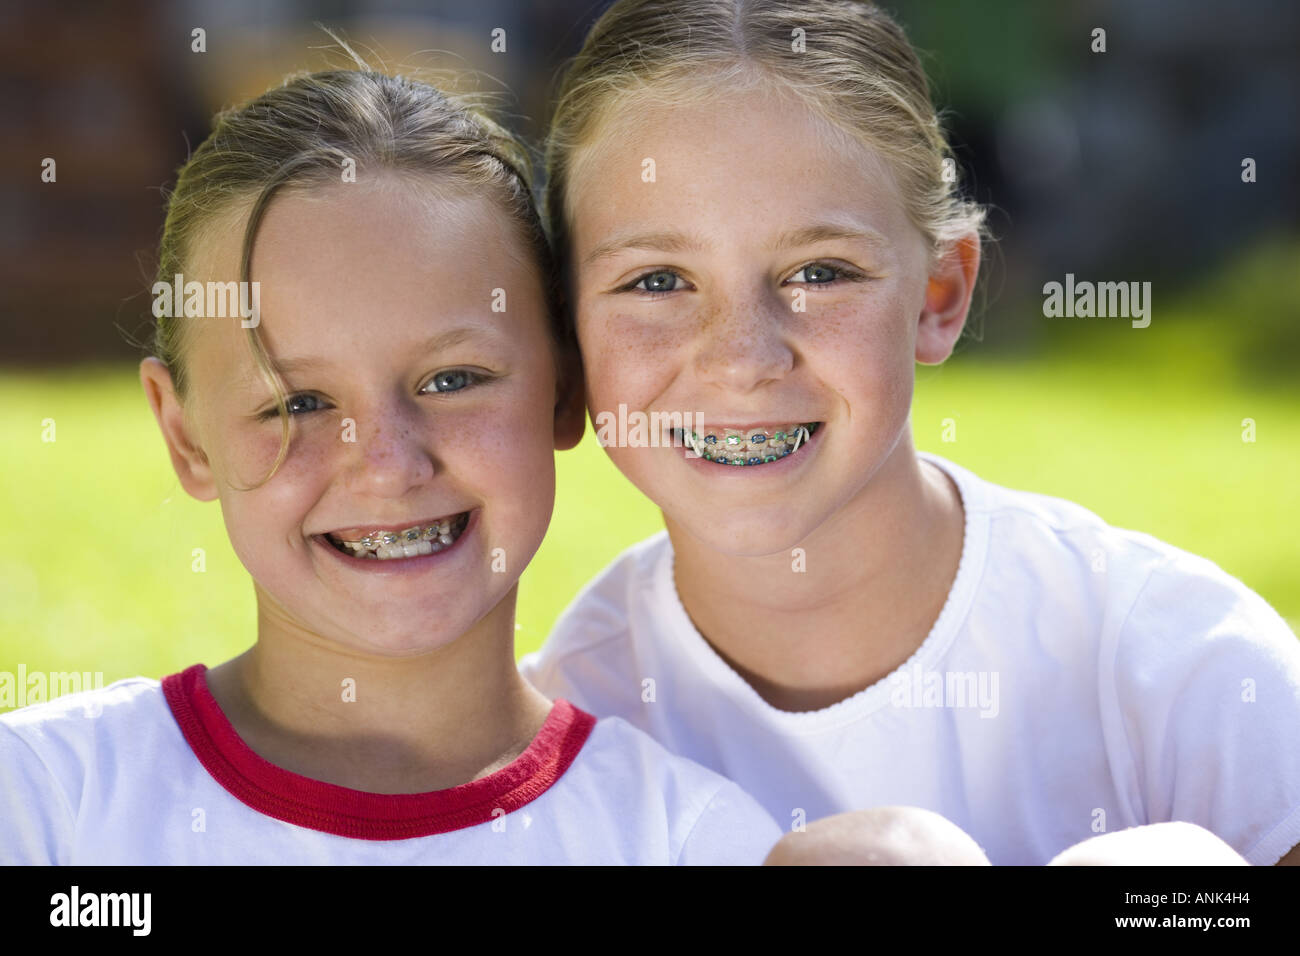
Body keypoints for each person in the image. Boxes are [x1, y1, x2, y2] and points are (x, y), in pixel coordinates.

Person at [519, 0, 1300, 865]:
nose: (743, 358)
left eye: (820, 272)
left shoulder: (1177, 660)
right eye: (658, 280)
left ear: (939, 297)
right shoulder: (567, 736)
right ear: (567, 329)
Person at [0, 66, 781, 865]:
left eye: (452, 381)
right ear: (187, 438)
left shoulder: (689, 840)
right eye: (296, 403)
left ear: (564, 390)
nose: (385, 464)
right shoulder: (45, 802)